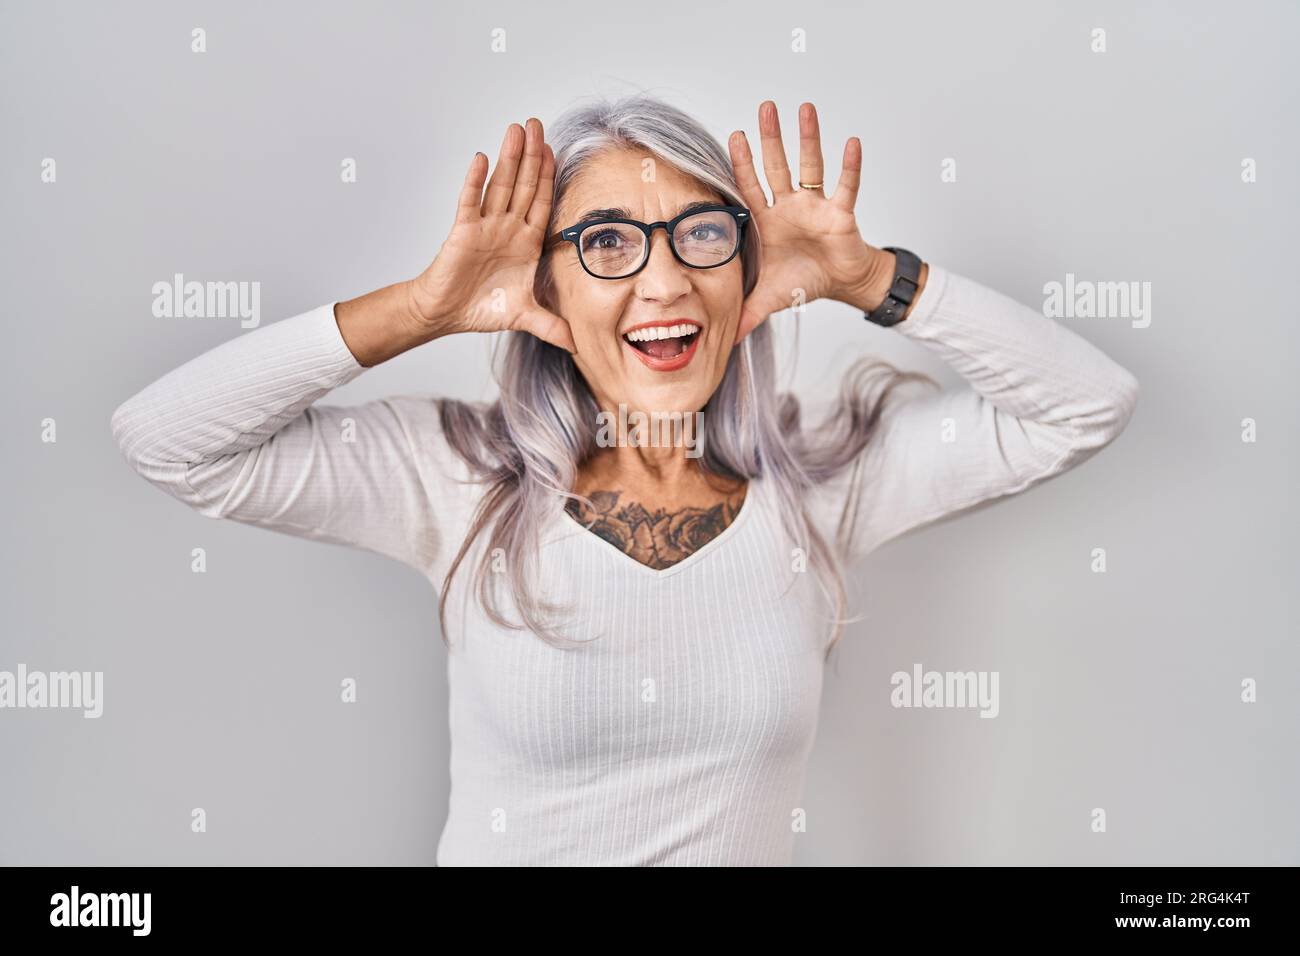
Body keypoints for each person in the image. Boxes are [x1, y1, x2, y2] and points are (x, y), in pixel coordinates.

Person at [111, 96, 1140, 866]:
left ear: (745, 265)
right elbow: (167, 439)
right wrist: (419, 308)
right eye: (605, 241)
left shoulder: (825, 474)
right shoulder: (458, 475)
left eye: (702, 233)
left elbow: (1084, 403)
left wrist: (871, 278)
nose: (663, 279)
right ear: (543, 279)